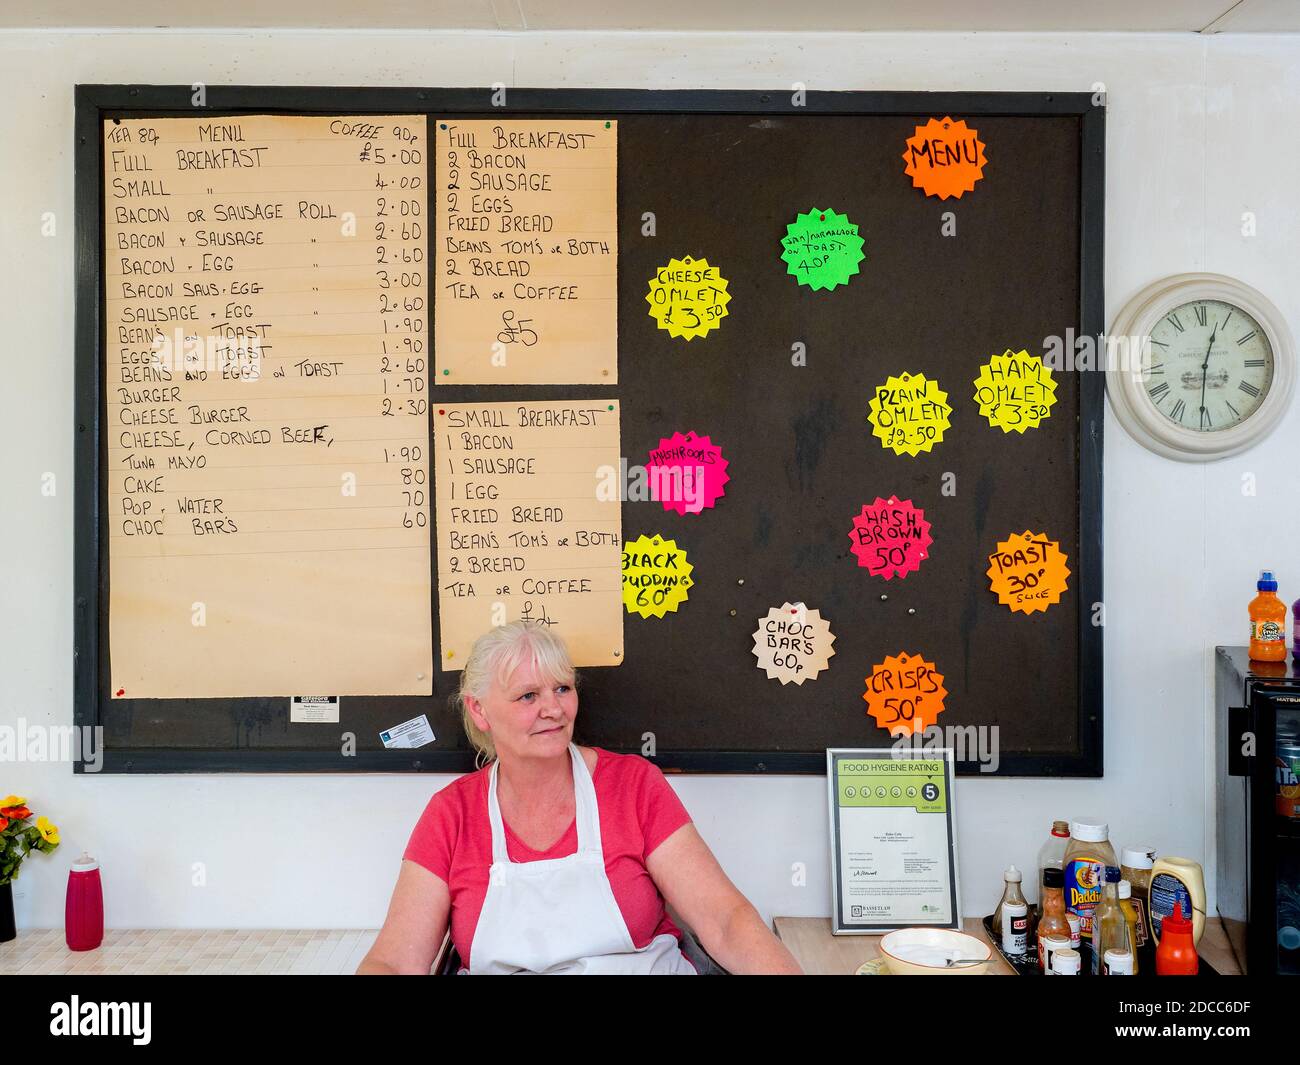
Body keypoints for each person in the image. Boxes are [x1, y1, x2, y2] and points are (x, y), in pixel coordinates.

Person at [359, 621, 802, 975]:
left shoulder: (634, 786)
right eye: (528, 695)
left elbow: (725, 921)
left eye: (562, 689)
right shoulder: (451, 814)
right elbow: (395, 962)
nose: (553, 709)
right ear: (479, 709)